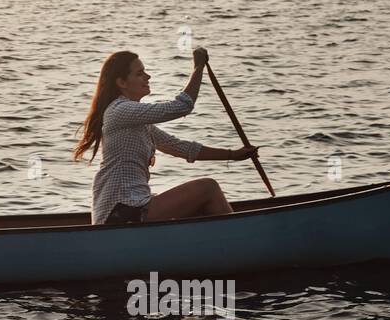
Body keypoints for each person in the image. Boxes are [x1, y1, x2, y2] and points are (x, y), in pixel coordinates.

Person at [73, 47, 258, 225]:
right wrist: (198, 68)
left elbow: (182, 148)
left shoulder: (138, 121)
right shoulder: (120, 111)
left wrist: (233, 155)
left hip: (131, 207)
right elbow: (182, 106)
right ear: (121, 83)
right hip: (120, 210)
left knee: (198, 205)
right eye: (139, 73)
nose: (148, 77)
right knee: (208, 188)